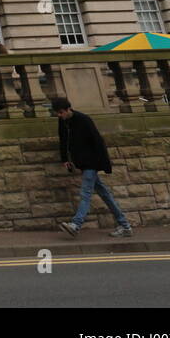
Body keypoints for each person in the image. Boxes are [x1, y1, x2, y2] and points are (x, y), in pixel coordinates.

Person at [54, 97, 132, 237]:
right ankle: (124, 225)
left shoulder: (84, 120)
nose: (59, 116)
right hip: (82, 163)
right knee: (105, 194)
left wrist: (104, 164)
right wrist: (65, 159)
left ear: (68, 109)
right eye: (57, 113)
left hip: (91, 162)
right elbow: (63, 140)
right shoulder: (63, 121)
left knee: (85, 194)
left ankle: (76, 224)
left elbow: (98, 142)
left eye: (61, 112)